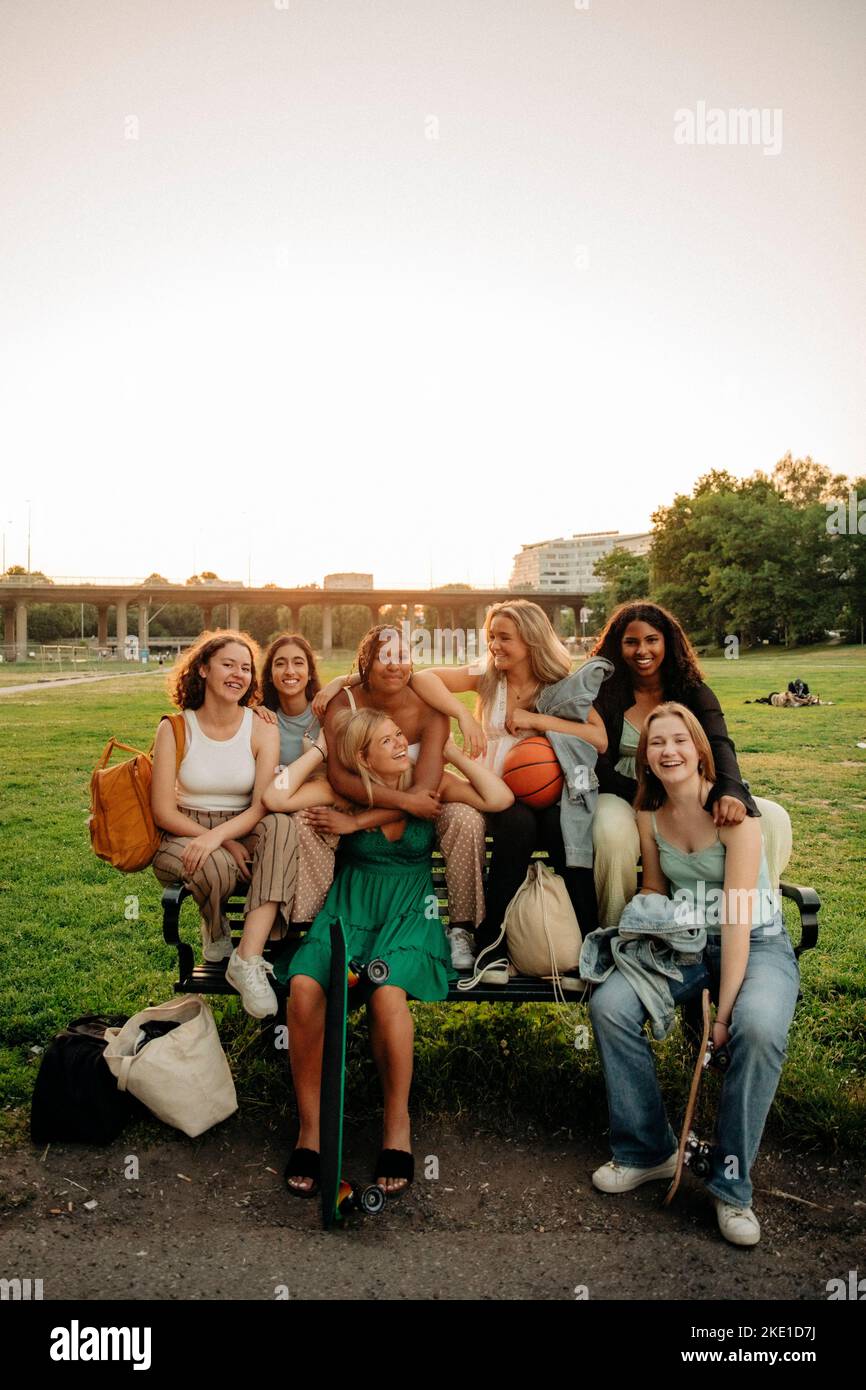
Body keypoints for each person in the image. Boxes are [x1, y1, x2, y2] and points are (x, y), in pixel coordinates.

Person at [587, 702, 800, 1247]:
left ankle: (731, 1187)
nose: (669, 751)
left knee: (756, 1028)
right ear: (646, 757)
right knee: (610, 1006)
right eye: (657, 743)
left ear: (700, 748)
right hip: (682, 942)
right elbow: (657, 885)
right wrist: (641, 924)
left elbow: (734, 921)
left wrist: (723, 1015)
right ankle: (649, 1150)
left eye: (679, 740)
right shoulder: (648, 813)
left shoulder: (734, 812)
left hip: (753, 942)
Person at [278, 708, 513, 1198]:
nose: (402, 743)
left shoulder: (429, 784)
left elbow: (500, 797)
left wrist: (446, 751)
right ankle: (310, 1131)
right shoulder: (343, 789)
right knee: (302, 989)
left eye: (400, 735)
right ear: (362, 756)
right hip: (349, 908)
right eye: (388, 741)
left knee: (387, 995)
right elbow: (275, 796)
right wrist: (320, 753)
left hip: (411, 911)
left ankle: (396, 1125)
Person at [404, 600, 608, 980]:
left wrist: (537, 719)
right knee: (517, 825)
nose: (495, 645)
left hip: (543, 791)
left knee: (562, 827)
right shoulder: (487, 675)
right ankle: (492, 944)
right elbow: (422, 679)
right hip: (493, 792)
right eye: (491, 637)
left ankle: (587, 941)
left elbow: (598, 738)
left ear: (531, 641)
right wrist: (464, 714)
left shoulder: (558, 685)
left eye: (504, 638)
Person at [591, 602, 792, 926]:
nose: (642, 650)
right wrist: (649, 796)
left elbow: (719, 743)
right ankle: (616, 929)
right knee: (611, 832)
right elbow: (595, 762)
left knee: (771, 817)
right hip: (621, 791)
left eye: (651, 640)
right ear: (618, 645)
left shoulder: (692, 690)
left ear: (667, 642)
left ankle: (758, 922)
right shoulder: (602, 692)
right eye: (631, 642)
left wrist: (729, 790)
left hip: (686, 792)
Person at [309, 625, 491, 971]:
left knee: (466, 819)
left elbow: (426, 786)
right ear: (366, 661)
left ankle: (462, 928)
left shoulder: (429, 704)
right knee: (313, 818)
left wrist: (387, 811)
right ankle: (309, 924)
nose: (395, 665)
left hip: (420, 802)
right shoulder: (343, 701)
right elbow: (340, 777)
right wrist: (404, 804)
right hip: (360, 798)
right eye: (384, 657)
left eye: (403, 656)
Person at [151, 631, 296, 1020]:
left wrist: (225, 836)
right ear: (202, 669)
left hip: (242, 823)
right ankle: (215, 928)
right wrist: (219, 841)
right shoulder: (174, 728)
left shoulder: (262, 727)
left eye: (246, 668)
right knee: (211, 863)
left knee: (282, 825)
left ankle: (246, 958)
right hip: (182, 829)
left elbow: (263, 804)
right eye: (228, 665)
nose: (238, 674)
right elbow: (163, 811)